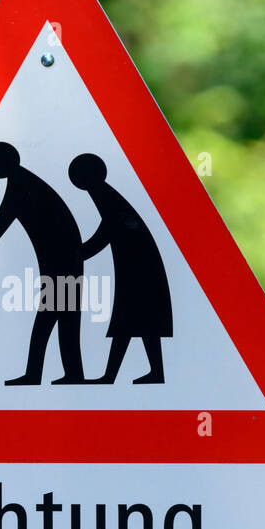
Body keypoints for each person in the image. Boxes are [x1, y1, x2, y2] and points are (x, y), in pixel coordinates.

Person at [0, 142, 87, 385]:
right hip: (64, 262)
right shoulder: (25, 182)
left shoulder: (20, 187)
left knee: (52, 319)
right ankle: (66, 373)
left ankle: (44, 374)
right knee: (62, 319)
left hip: (61, 263)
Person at [67, 152, 172, 383]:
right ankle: (122, 375)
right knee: (135, 320)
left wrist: (78, 254)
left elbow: (108, 229)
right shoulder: (104, 192)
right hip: (135, 263)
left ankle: (138, 374)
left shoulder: (103, 194)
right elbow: (110, 228)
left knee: (135, 319)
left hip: (138, 266)